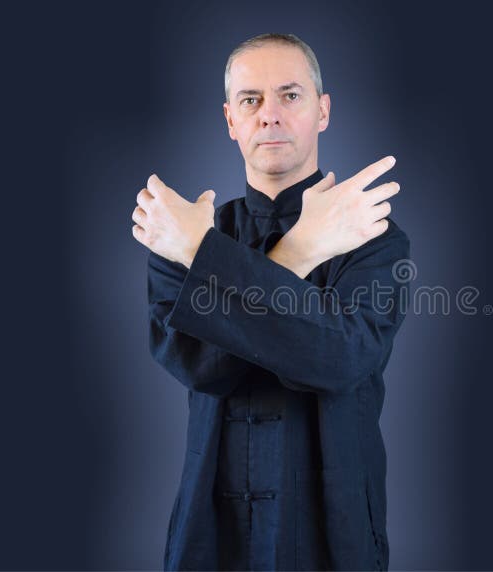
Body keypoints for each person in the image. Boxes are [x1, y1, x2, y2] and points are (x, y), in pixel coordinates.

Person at [131, 32, 410, 571]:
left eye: (291, 95)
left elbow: (341, 360)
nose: (270, 115)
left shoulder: (373, 237)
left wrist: (204, 256)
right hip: (208, 531)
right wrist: (301, 251)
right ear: (230, 119)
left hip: (336, 528)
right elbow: (198, 363)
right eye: (251, 100)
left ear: (323, 111)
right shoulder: (182, 235)